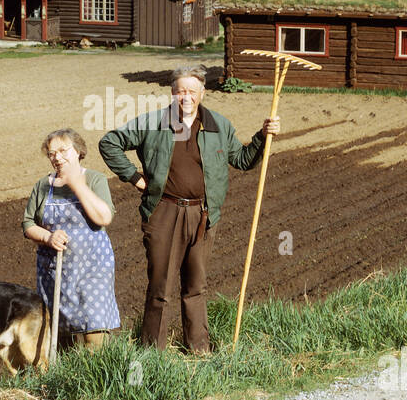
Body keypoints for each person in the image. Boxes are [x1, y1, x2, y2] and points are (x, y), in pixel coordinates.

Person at [99, 66, 279, 354]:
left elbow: (243, 160)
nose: (186, 96)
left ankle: (198, 349)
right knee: (161, 288)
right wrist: (134, 177)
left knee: (196, 286)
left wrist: (263, 136)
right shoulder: (153, 122)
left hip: (203, 216)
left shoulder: (219, 125)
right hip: (164, 213)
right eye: (181, 90)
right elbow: (109, 143)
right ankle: (151, 354)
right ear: (173, 92)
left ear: (202, 93)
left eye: (192, 91)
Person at [22, 129, 120, 350]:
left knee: (94, 329)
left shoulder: (95, 179)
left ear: (78, 151)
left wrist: (76, 184)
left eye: (62, 151)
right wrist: (47, 236)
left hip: (92, 269)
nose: (56, 157)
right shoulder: (43, 186)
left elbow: (103, 217)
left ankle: (98, 379)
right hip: (53, 270)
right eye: (51, 153)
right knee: (57, 332)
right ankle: (65, 379)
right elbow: (28, 224)